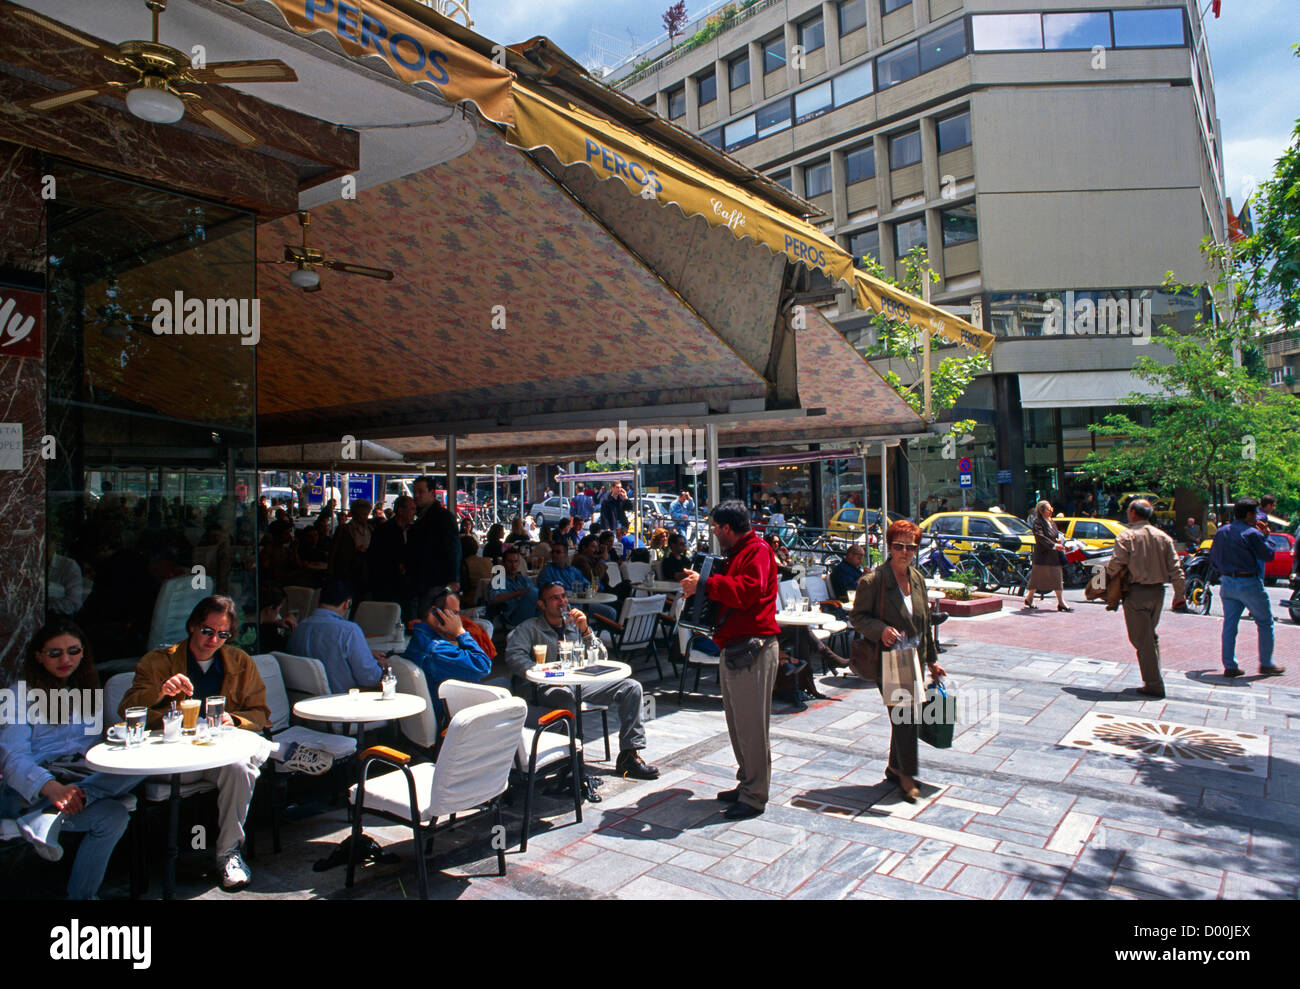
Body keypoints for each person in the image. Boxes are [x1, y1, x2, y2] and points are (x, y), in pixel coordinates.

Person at [120, 595, 269, 891]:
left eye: (223, 634)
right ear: (192, 626)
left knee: (242, 767)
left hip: (215, 758)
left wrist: (235, 720)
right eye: (207, 631)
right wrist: (161, 693)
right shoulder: (157, 662)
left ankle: (228, 854)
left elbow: (261, 713)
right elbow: (126, 711)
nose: (213, 640)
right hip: (172, 761)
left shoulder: (240, 662)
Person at [0, 620, 144, 899]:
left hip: (75, 780)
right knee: (113, 811)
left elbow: (90, 750)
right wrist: (51, 788)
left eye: (73, 651)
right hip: (30, 790)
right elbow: (12, 759)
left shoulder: (86, 690)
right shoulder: (18, 694)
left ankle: (81, 895)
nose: (65, 660)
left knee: (131, 783)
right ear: (38, 656)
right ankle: (44, 814)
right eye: (55, 653)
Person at [678, 501, 780, 820]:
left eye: (714, 528)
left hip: (753, 647)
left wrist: (706, 584)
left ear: (725, 528)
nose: (713, 533)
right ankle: (747, 782)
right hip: (737, 646)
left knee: (751, 727)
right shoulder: (741, 553)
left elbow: (749, 591)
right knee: (738, 725)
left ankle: (754, 796)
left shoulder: (758, 551)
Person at [503, 581, 659, 780]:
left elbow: (601, 657)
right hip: (543, 686)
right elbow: (514, 656)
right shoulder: (530, 628)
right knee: (566, 698)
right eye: (554, 598)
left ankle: (629, 755)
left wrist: (585, 630)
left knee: (631, 687)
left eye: (563, 596)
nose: (562, 602)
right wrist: (540, 670)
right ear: (541, 604)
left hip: (578, 682)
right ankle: (570, 764)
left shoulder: (574, 626)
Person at [849, 520, 946, 803]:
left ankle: (895, 766)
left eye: (911, 546)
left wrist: (931, 661)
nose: (905, 551)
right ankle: (906, 776)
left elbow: (924, 624)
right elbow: (857, 617)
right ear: (889, 547)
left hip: (913, 657)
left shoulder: (917, 578)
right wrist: (881, 630)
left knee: (907, 715)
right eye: (899, 546)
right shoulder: (874, 581)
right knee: (905, 716)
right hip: (889, 659)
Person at [1105, 499, 1186, 699]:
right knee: (1149, 636)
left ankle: (1154, 684)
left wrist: (1100, 584)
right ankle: (1153, 676)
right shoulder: (1163, 537)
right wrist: (1179, 594)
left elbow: (1116, 564)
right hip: (1158, 593)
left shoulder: (1127, 536)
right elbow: (1176, 570)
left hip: (1136, 593)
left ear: (1133, 513)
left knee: (1141, 640)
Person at [1210, 498, 1282, 678]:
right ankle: (1266, 664)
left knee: (1230, 625)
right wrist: (1267, 536)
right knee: (1265, 622)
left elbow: (1213, 558)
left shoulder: (1221, 532)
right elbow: (1268, 555)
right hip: (1248, 582)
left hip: (1227, 581)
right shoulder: (1252, 533)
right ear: (1249, 514)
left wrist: (1223, 573)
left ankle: (1230, 665)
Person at [403, 587, 494, 725]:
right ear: (435, 613)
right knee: (504, 684)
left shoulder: (418, 639)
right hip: (454, 719)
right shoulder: (435, 650)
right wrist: (460, 632)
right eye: (454, 613)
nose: (458, 619)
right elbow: (483, 665)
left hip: (449, 704)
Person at [286, 579, 386, 693]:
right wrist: (381, 666)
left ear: (319, 600)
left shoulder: (299, 628)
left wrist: (365, 653)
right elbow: (369, 678)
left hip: (304, 701)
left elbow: (322, 652)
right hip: (342, 701)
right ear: (348, 603)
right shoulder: (349, 631)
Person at [408, 476, 461, 604]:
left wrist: (453, 579)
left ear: (432, 493)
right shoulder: (420, 516)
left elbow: (453, 548)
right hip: (421, 581)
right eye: (414, 492)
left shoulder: (442, 516)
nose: (416, 496)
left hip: (436, 581)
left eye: (421, 492)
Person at [538, 542, 617, 623]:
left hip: (581, 604)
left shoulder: (573, 571)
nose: (554, 554)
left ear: (566, 555)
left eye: (558, 552)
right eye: (552, 552)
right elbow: (545, 593)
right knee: (582, 615)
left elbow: (589, 585)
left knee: (611, 613)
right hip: (562, 606)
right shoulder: (547, 572)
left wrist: (594, 587)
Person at [369, 494, 417, 621]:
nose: (414, 512)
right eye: (411, 509)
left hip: (409, 588)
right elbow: (376, 558)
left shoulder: (414, 530)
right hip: (388, 587)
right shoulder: (384, 531)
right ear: (400, 510)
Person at [1025, 500, 1071, 611]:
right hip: (1043, 556)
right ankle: (1029, 598)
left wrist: (1059, 541)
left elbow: (1055, 534)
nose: (1051, 511)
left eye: (1051, 509)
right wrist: (1054, 545)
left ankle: (1061, 602)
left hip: (1054, 556)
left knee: (1057, 577)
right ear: (1041, 511)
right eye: (1048, 509)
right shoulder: (1037, 522)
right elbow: (1040, 537)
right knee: (1037, 579)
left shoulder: (1052, 521)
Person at [487, 546, 539, 631]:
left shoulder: (523, 579)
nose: (513, 565)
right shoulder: (499, 580)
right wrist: (519, 593)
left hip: (529, 612)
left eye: (516, 561)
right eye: (510, 562)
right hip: (511, 616)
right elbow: (494, 598)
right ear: (503, 563)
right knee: (532, 592)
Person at [255, 583, 298, 652]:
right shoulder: (270, 635)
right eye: (279, 609)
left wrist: (276, 622)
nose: (278, 614)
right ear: (270, 609)